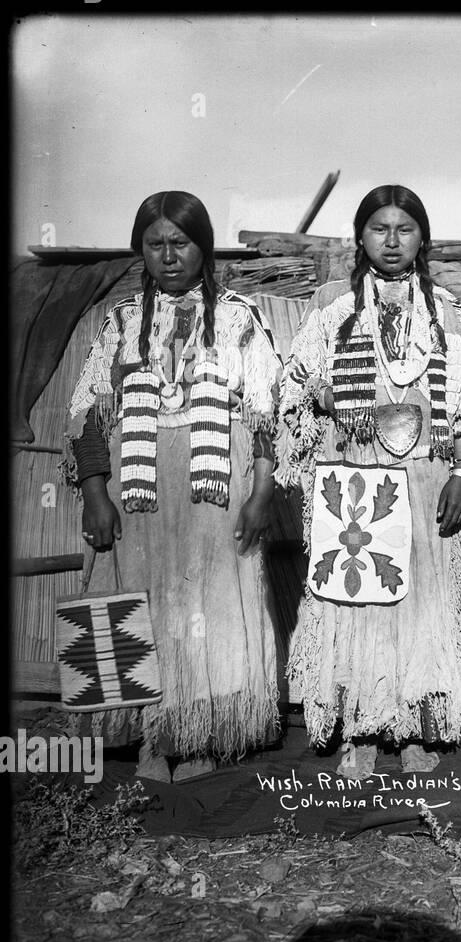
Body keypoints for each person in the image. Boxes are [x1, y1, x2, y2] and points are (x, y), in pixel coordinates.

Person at [276, 184, 461, 780]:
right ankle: (361, 729)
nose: (392, 241)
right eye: (379, 229)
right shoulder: (332, 307)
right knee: (358, 602)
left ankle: (414, 729)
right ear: (360, 237)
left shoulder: (444, 311)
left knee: (421, 604)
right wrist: (326, 395)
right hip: (356, 481)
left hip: (426, 478)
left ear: (423, 238)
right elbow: (291, 386)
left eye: (405, 229)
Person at [64, 191, 282, 780]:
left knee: (211, 604)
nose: (168, 256)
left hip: (217, 489)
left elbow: (269, 412)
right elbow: (86, 413)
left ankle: (201, 733)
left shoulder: (237, 318)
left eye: (180, 243)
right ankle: (148, 739)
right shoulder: (120, 321)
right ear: (141, 250)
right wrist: (95, 495)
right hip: (138, 491)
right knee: (136, 597)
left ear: (203, 247)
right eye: (155, 244)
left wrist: (262, 494)